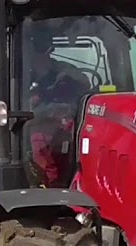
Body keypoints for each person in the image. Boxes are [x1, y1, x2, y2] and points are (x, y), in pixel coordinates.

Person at [22, 21, 91, 187]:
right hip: (30, 137)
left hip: (68, 137)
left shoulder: (68, 75)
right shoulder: (16, 80)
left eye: (43, 47)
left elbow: (85, 93)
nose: (39, 53)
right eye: (34, 47)